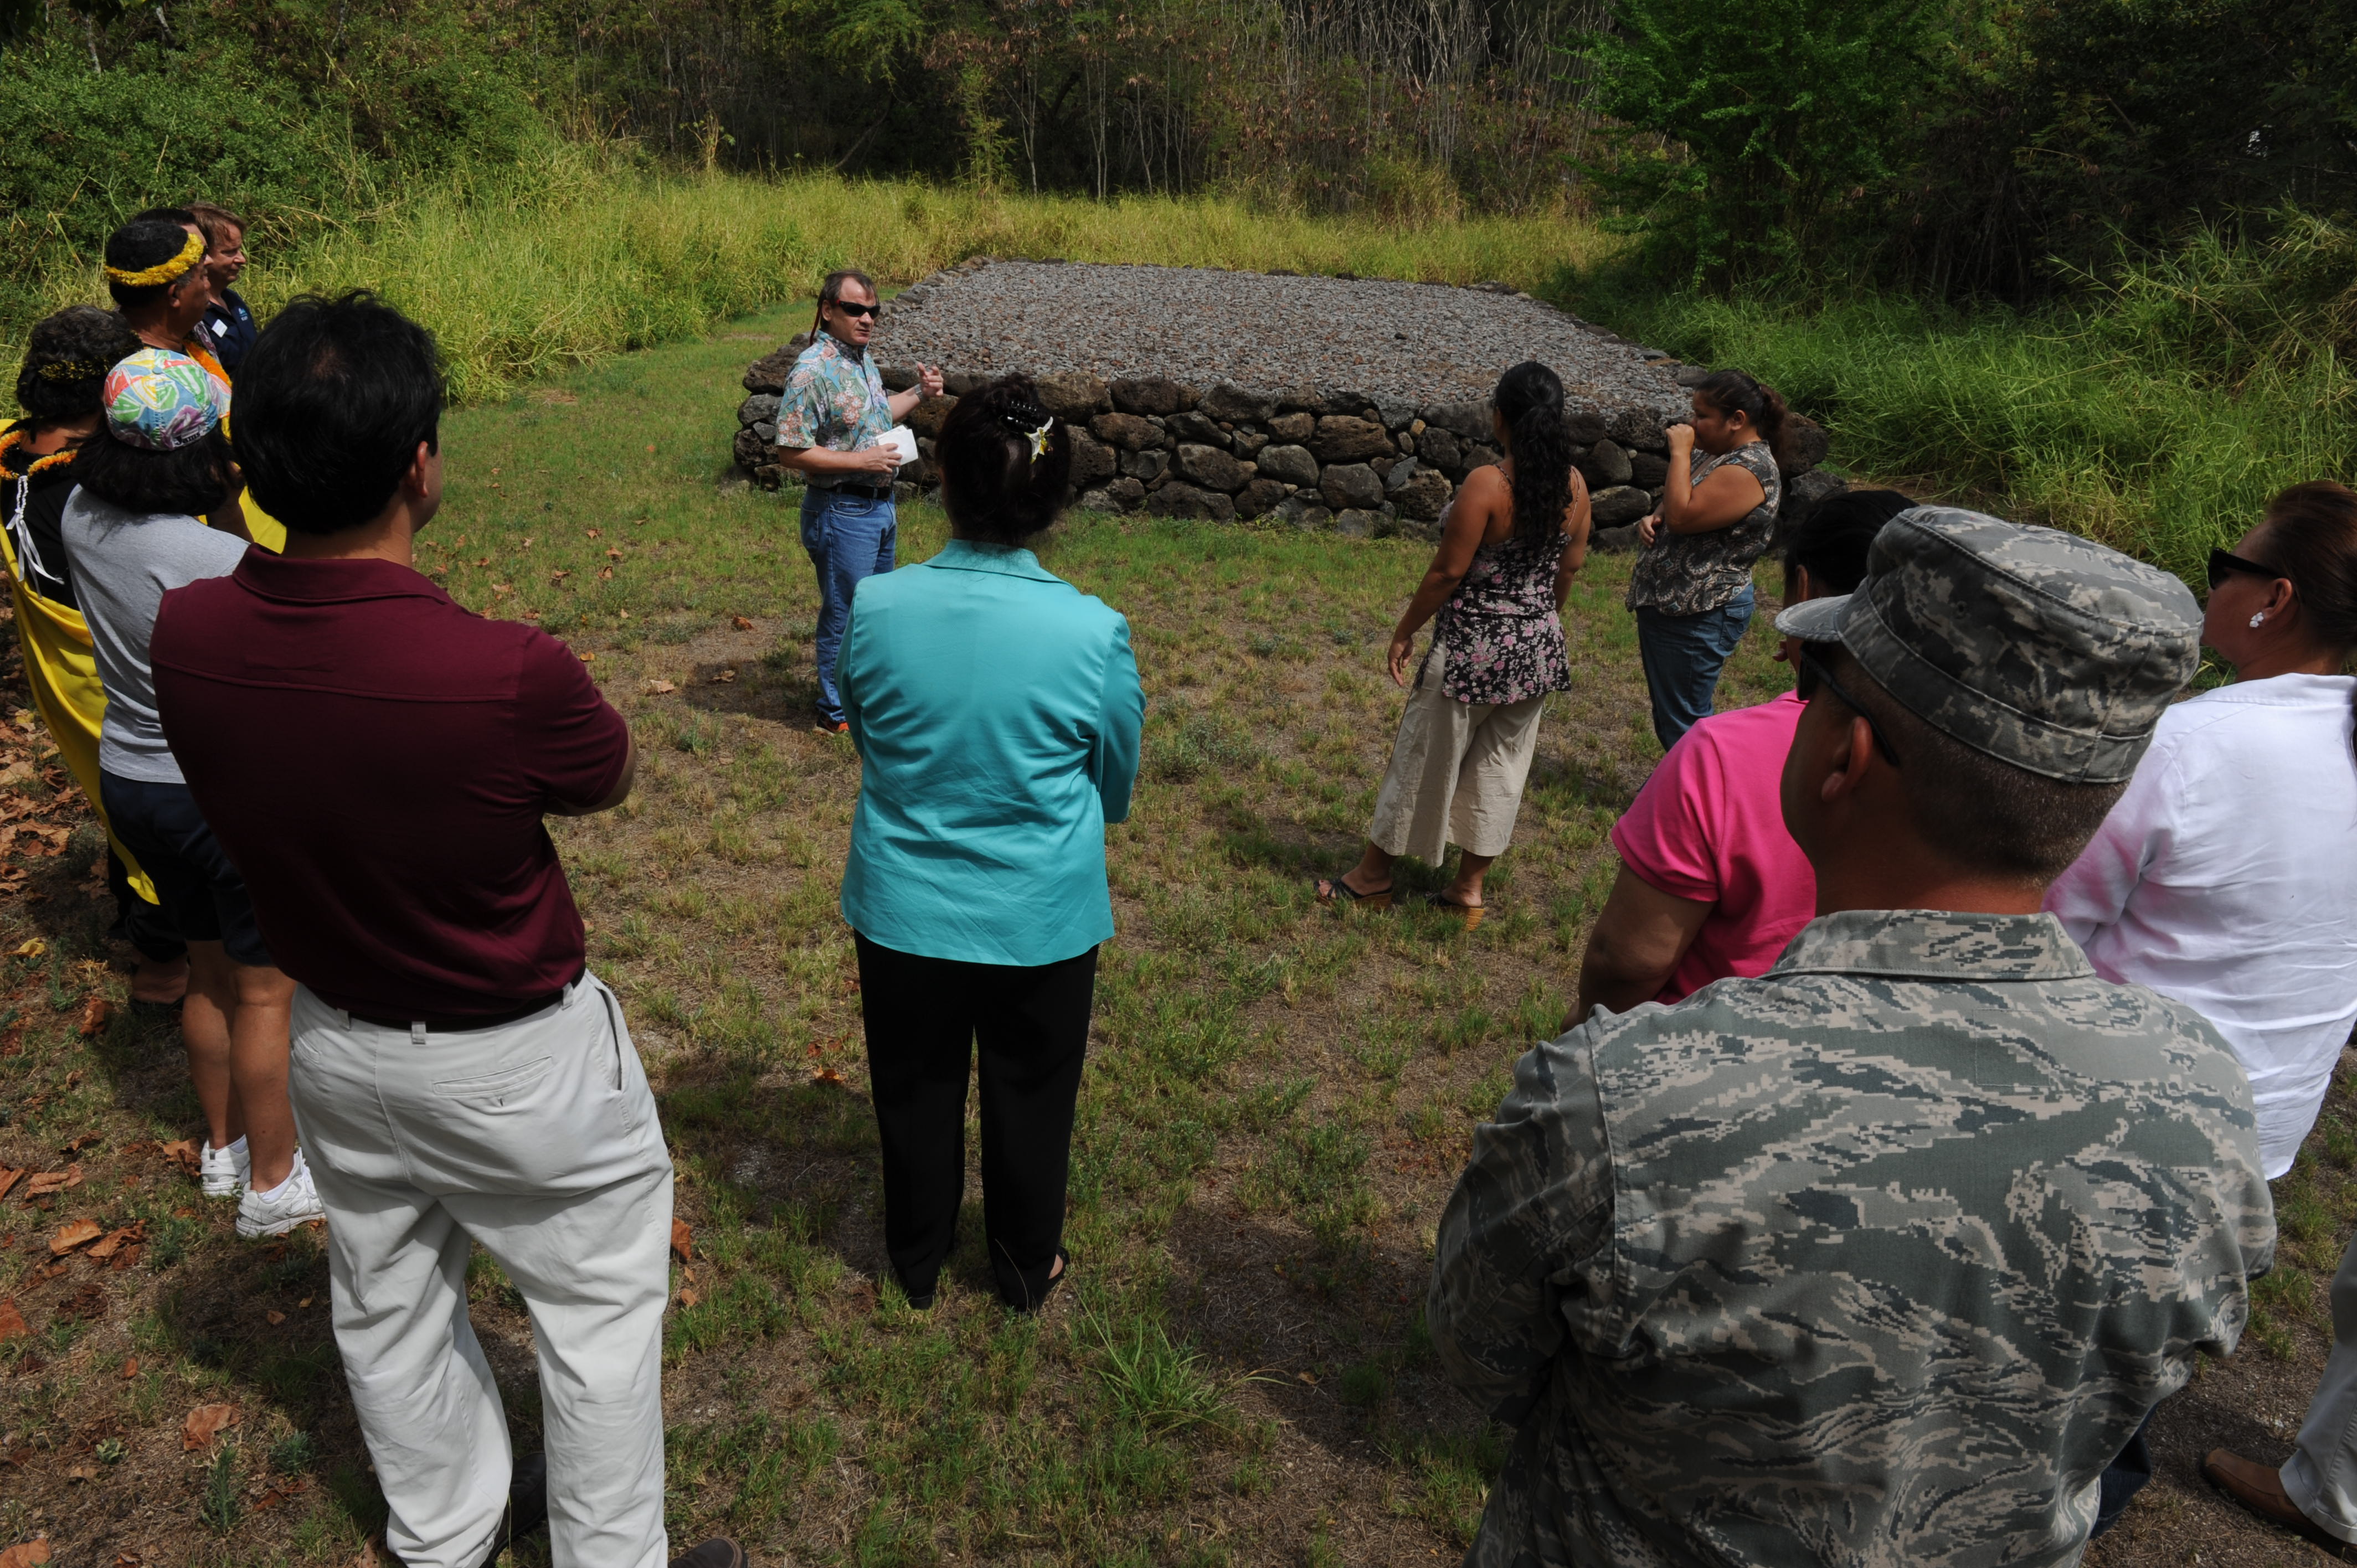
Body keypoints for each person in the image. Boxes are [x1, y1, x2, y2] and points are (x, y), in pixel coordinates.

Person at [1428, 507, 2275, 1567]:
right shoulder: (2202, 1101)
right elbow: (2143, 1384)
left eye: (1811, 684)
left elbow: (1483, 1357)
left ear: (1845, 749)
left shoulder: (1620, 1097)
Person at [149, 291, 739, 1568]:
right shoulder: (508, 670)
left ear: (249, 464)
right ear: (420, 465)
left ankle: (446, 1530)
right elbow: (609, 772)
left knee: (390, 1299)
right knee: (594, 1311)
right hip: (517, 1053)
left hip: (333, 1038)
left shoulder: (185, 635)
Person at [836, 374, 1143, 1312]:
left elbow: (867, 730)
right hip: (1040, 916)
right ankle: (1022, 1263)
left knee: (913, 1086)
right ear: (1054, 500)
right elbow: (1115, 780)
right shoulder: (1094, 634)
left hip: (902, 907)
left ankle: (917, 1258)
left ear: (946, 485)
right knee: (1033, 1096)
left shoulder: (878, 608)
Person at [60, 348, 318, 1235]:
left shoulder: (83, 517)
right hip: (214, 790)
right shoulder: (212, 556)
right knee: (265, 992)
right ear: (206, 451)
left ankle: (224, 1149)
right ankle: (277, 1183)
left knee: (205, 972)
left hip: (131, 779)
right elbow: (275, 619)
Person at [2046, 480, 2357, 1178]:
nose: (2211, 584)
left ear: (2274, 600)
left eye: (2227, 567)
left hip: (2129, 1115)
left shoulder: (2182, 746)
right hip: (2269, 1127)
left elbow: (2050, 924)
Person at [1571, 488, 1914, 1020]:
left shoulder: (1721, 756)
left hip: (1707, 1056)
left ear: (1804, 590)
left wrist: (1585, 1026)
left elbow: (1628, 961)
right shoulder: (1969, 754)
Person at [1314, 362, 1591, 926]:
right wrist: (1537, 624)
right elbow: (1570, 568)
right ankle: (1467, 889)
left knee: (1423, 758)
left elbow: (1446, 572)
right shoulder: (1576, 485)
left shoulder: (1488, 485)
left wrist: (1403, 630)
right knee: (1502, 766)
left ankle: (1371, 879)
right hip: (1536, 650)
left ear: (1501, 417)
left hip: (1469, 652)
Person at [2, 306, 188, 1003]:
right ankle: (165, 965)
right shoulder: (98, 489)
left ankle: (154, 942)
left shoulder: (11, 456)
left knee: (120, 809)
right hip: (114, 676)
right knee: (159, 812)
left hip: (61, 679)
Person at [775, 267, 941, 734]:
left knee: (872, 611)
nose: (867, 319)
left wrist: (918, 393)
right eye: (855, 310)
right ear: (828, 311)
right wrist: (861, 461)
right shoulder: (811, 371)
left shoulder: (859, 359)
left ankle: (864, 696)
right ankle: (835, 712)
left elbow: (875, 413)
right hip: (841, 509)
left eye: (873, 311)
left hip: (878, 506)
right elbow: (790, 451)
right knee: (844, 612)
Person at [1625, 368, 1788, 749]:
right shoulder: (1717, 454)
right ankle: (1684, 795)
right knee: (1673, 717)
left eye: (1701, 416)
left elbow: (1683, 518)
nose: (1691, 424)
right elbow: (1679, 501)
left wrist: (1680, 453)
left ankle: (1700, 801)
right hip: (1677, 608)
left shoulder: (1750, 469)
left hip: (1701, 614)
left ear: (1737, 421)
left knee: (1685, 723)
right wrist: (1655, 515)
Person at [189, 201, 257, 375]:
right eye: (229, 252)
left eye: (240, 250)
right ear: (202, 254)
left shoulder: (232, 300)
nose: (242, 259)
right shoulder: (191, 314)